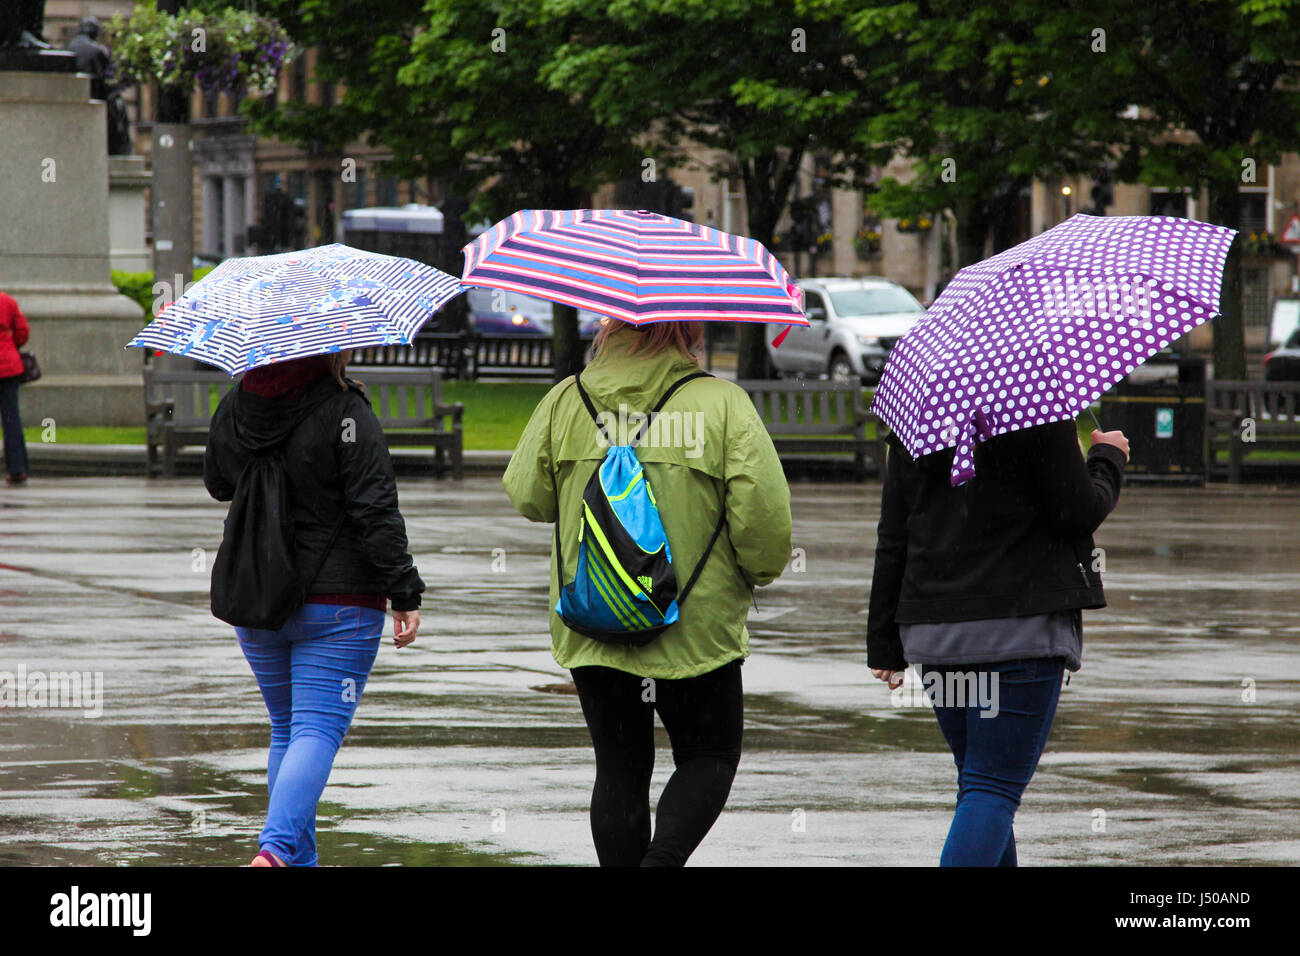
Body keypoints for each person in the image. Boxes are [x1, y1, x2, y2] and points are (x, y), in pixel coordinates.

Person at [504, 319, 792, 866]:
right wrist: (758, 571)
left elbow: (529, 496)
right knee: (709, 755)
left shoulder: (568, 399)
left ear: (610, 324)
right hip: (695, 626)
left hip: (595, 618)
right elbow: (764, 527)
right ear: (690, 330)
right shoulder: (722, 405)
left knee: (619, 766)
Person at [866, 419, 1129, 866]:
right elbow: (1078, 512)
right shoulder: (1038, 411)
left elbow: (893, 536)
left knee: (981, 785)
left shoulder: (918, 423)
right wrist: (1107, 459)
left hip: (936, 637)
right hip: (1019, 633)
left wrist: (883, 644)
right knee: (991, 788)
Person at [203, 351, 424, 867]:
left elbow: (218, 482)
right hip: (340, 602)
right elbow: (375, 505)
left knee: (288, 729)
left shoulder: (237, 404)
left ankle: (296, 861)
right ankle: (275, 854)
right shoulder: (347, 412)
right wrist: (404, 591)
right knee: (316, 730)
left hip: (259, 596)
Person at [0, 289, 31, 485]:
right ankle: (18, 468)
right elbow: (22, 331)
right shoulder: (7, 301)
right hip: (9, 366)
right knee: (11, 418)